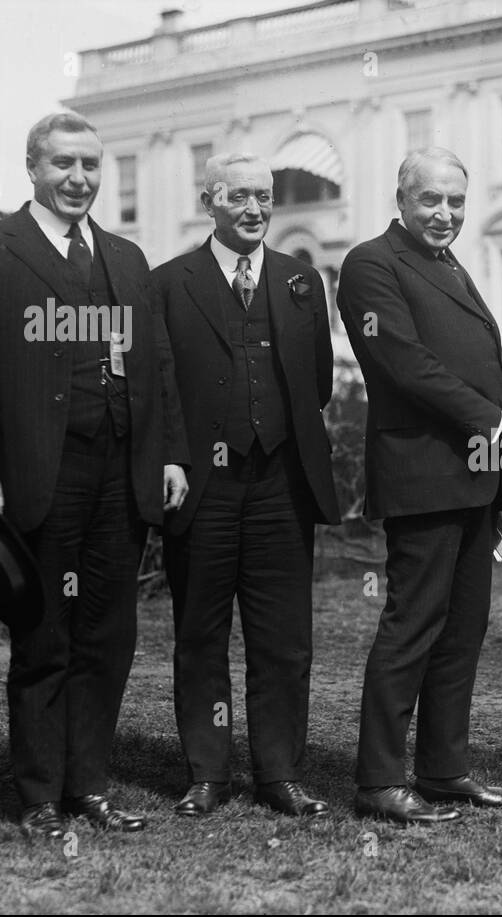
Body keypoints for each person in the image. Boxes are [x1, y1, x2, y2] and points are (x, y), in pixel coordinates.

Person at [0, 111, 189, 839]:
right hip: (36, 475)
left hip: (122, 474)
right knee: (44, 638)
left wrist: (171, 452)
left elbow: (158, 367)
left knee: (109, 638)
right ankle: (40, 796)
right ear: (32, 167)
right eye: (63, 165)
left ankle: (90, 788)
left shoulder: (125, 257)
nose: (79, 178)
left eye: (90, 165)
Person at [338, 147, 502, 824]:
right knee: (412, 627)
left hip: (474, 476)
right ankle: (380, 781)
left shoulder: (444, 262)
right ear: (401, 199)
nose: (444, 213)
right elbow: (405, 366)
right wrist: (499, 421)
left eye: (455, 201)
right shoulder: (370, 264)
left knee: (462, 632)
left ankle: (444, 769)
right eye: (430, 200)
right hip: (424, 478)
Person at [152, 153, 340, 818]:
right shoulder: (169, 283)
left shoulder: (300, 281)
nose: (256, 209)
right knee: (200, 634)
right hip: (204, 486)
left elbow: (317, 378)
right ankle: (208, 772)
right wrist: (173, 459)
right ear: (211, 200)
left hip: (281, 484)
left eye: (264, 196)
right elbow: (160, 388)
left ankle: (279, 772)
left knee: (283, 638)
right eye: (240, 197)